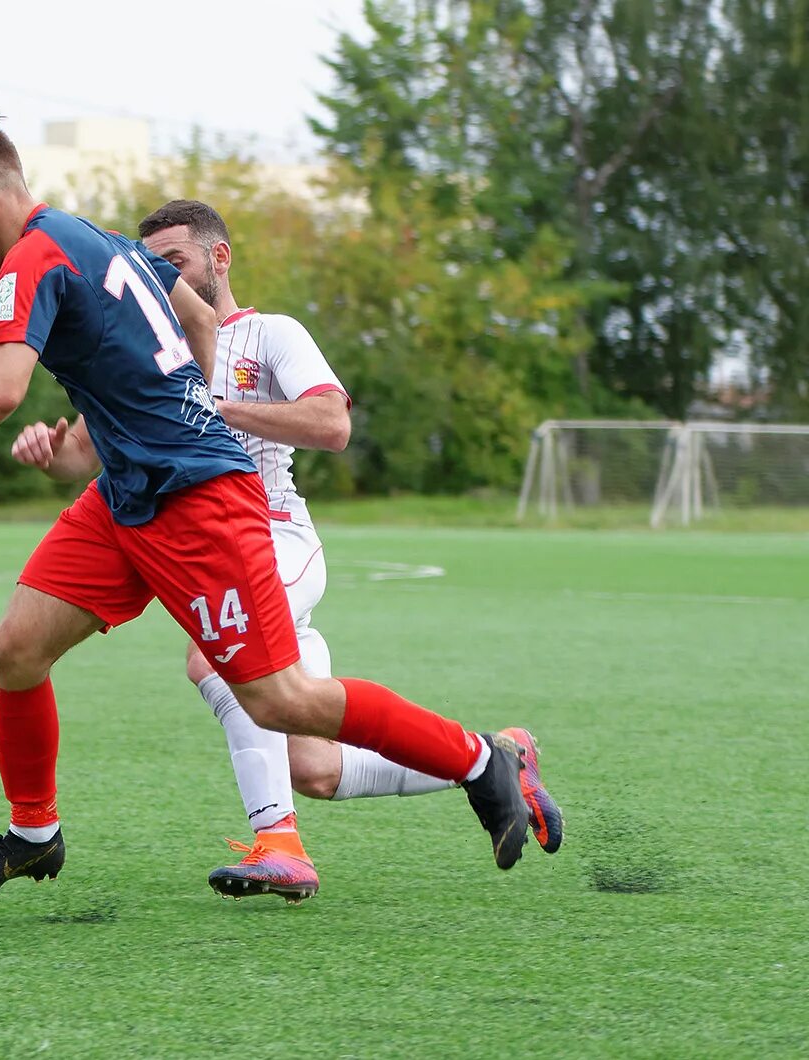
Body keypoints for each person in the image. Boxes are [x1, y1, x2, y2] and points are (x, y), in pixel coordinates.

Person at [0, 109, 544, 902]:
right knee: (17, 650)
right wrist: (175, 401)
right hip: (126, 495)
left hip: (198, 501)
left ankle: (482, 760)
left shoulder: (30, 261)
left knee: (280, 698)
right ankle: (36, 835)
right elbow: (199, 316)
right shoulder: (92, 237)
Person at [134, 200, 562, 899]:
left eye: (173, 261)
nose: (162, 276)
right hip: (211, 551)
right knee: (315, 767)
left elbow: (331, 422)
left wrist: (224, 410)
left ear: (220, 258)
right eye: (151, 267)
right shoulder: (161, 359)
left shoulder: (270, 333)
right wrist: (60, 449)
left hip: (275, 534)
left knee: (212, 649)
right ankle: (500, 755)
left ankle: (280, 846)